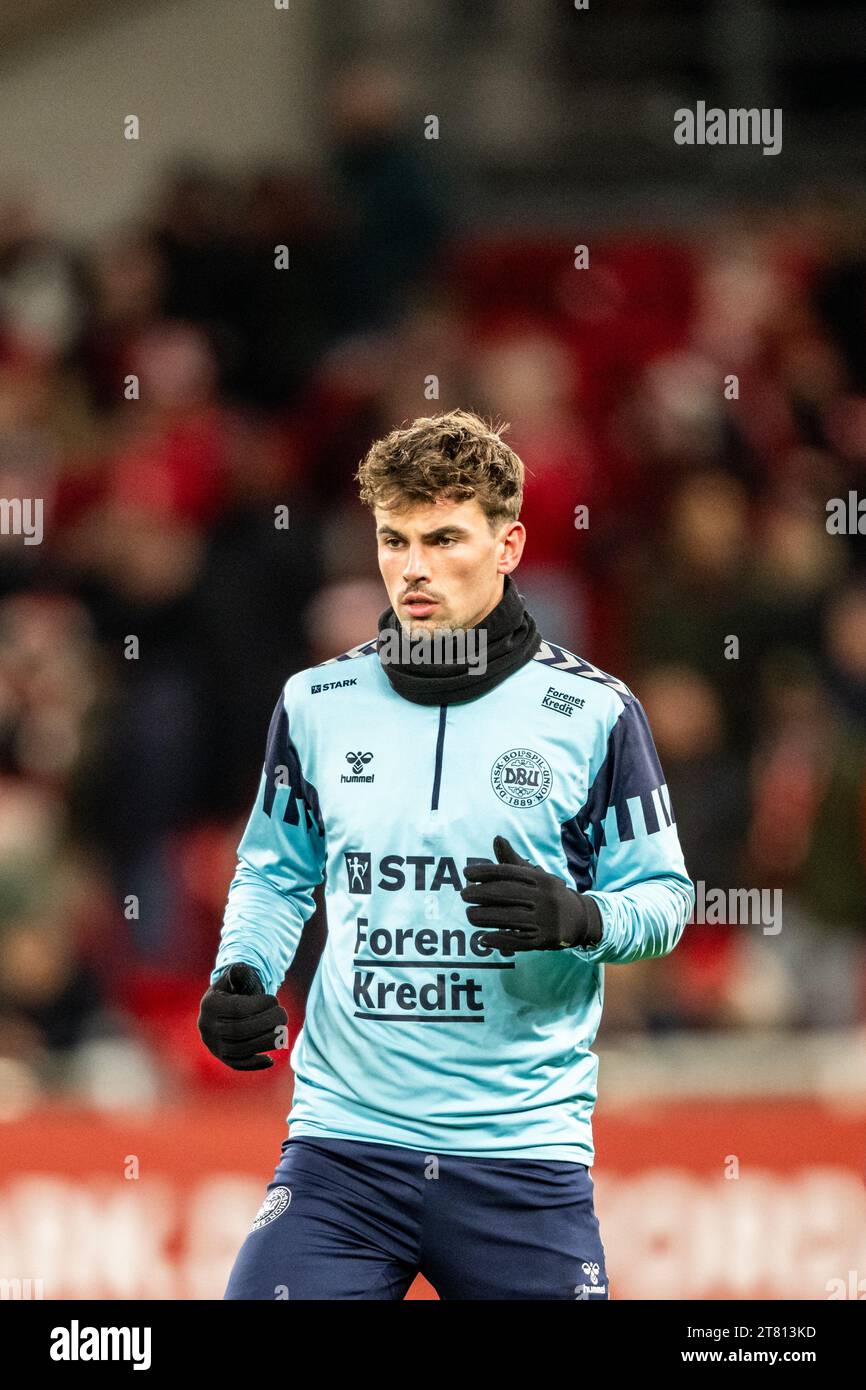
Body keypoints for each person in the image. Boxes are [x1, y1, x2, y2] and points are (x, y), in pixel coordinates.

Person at [198, 409, 694, 1300]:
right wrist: (242, 972)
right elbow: (275, 874)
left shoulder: (596, 714)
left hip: (521, 1161)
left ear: (509, 546)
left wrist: (582, 918)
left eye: (443, 538)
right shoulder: (317, 702)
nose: (412, 567)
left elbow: (663, 897)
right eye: (394, 539)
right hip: (343, 1151)